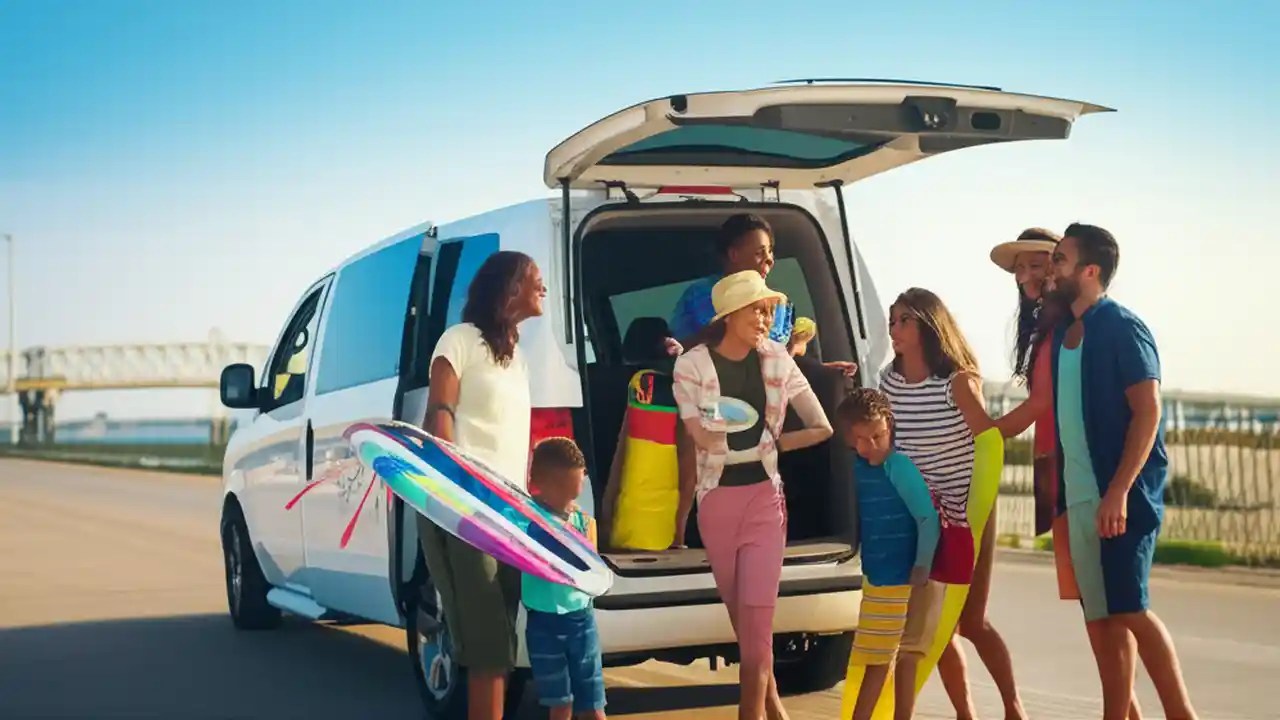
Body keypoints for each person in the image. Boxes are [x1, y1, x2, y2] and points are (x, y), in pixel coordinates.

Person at [991, 228, 1147, 720]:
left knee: (1111, 610)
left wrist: (983, 433)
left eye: (1039, 264)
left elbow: (1040, 404)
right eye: (1020, 269)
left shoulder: (1075, 325)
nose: (1028, 276)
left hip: (1080, 475)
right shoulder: (1051, 329)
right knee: (1095, 608)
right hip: (1059, 472)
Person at [1045, 223, 1196, 720]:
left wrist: (1119, 491)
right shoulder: (1067, 335)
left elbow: (1147, 411)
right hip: (1081, 497)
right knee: (1103, 616)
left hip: (1120, 499)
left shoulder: (1122, 326)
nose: (1053, 268)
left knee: (1130, 606)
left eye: (1061, 259)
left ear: (1090, 271)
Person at [672, 269, 833, 720]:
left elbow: (822, 426)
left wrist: (775, 444)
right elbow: (699, 437)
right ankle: (775, 708)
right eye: (756, 309)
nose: (765, 319)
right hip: (718, 505)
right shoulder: (690, 366)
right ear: (728, 314)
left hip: (765, 499)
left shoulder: (779, 360)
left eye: (768, 310)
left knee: (759, 628)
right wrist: (734, 427)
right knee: (747, 629)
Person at [879, 288, 1025, 720]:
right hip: (919, 518)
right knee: (932, 628)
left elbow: (989, 439)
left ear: (927, 325)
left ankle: (1013, 708)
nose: (894, 329)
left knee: (972, 622)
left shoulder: (957, 382)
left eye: (903, 320)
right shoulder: (888, 379)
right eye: (891, 320)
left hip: (966, 515)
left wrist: (1035, 409)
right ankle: (966, 714)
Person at [419, 250, 545, 720]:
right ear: (510, 288)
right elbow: (440, 415)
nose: (543, 288)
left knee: (502, 643)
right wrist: (458, 491)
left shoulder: (517, 357)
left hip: (510, 512)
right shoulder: (459, 341)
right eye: (535, 279)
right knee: (489, 645)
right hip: (467, 510)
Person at [836, 388, 943, 720]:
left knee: (880, 661)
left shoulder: (898, 466)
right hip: (874, 576)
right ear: (849, 439)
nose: (872, 446)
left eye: (879, 436)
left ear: (890, 427)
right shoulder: (855, 468)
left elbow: (927, 519)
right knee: (875, 658)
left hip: (898, 577)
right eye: (862, 439)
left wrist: (922, 564)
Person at [666, 213, 857, 377]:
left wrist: (817, 368)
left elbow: (783, 357)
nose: (770, 260)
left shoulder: (780, 303)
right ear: (734, 255)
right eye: (760, 252)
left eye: (771, 252)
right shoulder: (703, 295)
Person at [523, 437, 607, 720]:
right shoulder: (526, 520)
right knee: (560, 705)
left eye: (577, 494)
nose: (572, 503)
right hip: (543, 623)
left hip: (581, 620)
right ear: (540, 483)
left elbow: (592, 570)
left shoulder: (584, 523)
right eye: (566, 494)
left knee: (593, 704)